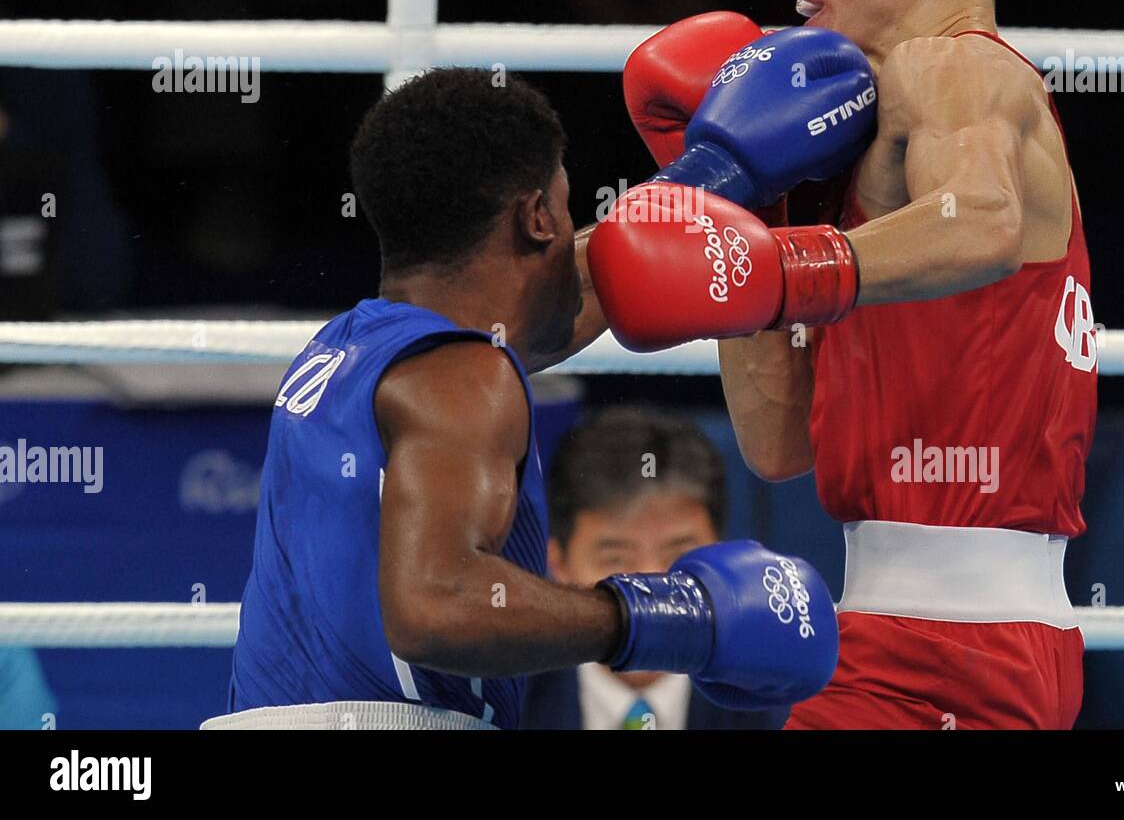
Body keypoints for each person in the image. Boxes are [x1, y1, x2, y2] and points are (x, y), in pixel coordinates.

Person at [589, 0, 1098, 729]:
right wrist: (738, 199)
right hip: (897, 629)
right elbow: (778, 446)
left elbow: (980, 221)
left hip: (954, 647)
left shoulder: (961, 71)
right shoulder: (863, 140)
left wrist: (782, 264)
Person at [206, 67, 838, 730]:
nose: (572, 231)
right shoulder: (465, 375)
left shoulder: (351, 350)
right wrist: (655, 618)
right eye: (564, 207)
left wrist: (718, 174)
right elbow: (435, 605)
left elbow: (590, 279)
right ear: (537, 217)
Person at [522, 405, 788, 730]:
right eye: (616, 560)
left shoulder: (773, 705)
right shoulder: (509, 702)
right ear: (558, 565)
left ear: (720, 557)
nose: (653, 589)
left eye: (679, 554)